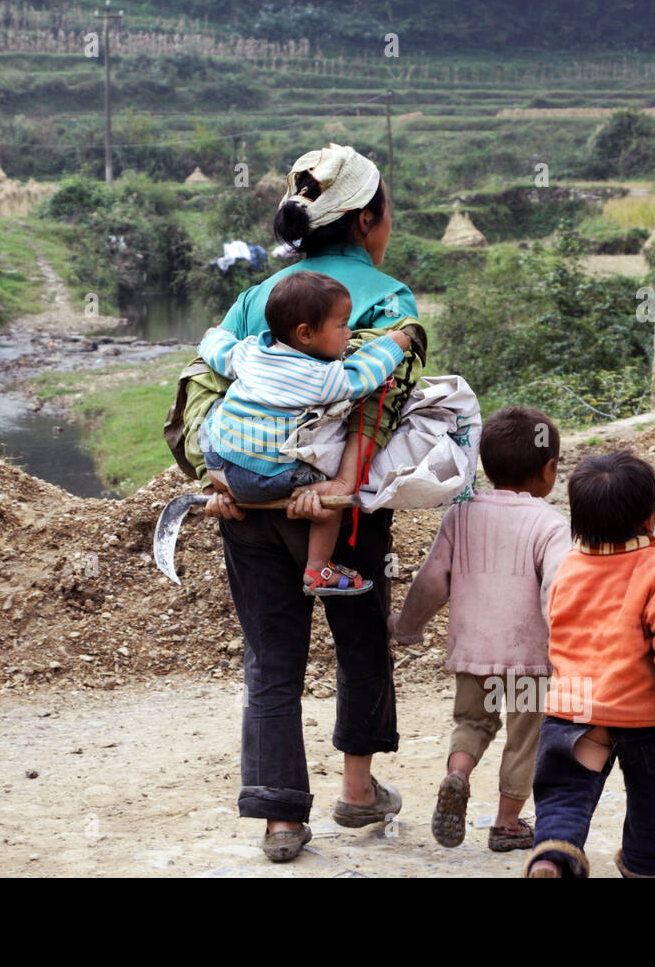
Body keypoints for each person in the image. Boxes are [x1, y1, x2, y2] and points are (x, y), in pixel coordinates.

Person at [198, 143, 424, 862]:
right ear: (366, 221)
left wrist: (219, 480)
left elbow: (206, 382)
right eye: (387, 213)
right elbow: (388, 404)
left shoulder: (260, 299)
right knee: (359, 641)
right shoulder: (386, 299)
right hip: (341, 509)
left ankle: (279, 819)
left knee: (270, 658)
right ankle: (358, 791)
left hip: (248, 510)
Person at [525, 451, 655, 878]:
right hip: (640, 715)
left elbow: (554, 625)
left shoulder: (568, 568)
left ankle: (553, 857)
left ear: (576, 521)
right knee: (648, 793)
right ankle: (645, 864)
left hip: (574, 709)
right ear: (649, 519)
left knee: (565, 793)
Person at [388, 407, 571, 852]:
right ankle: (508, 823)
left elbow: (432, 580)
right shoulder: (549, 524)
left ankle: (458, 775)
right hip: (529, 661)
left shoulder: (461, 515)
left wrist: (406, 626)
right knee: (525, 736)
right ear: (548, 471)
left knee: (472, 722)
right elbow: (558, 590)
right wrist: (570, 649)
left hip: (474, 652)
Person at [197, 270, 410, 596]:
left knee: (215, 415)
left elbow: (218, 348)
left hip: (226, 467)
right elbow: (363, 374)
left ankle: (214, 484)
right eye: (341, 325)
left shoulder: (250, 352)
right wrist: (396, 343)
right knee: (330, 498)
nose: (349, 331)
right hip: (275, 477)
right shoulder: (321, 377)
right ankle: (318, 568)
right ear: (305, 334)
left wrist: (212, 334)